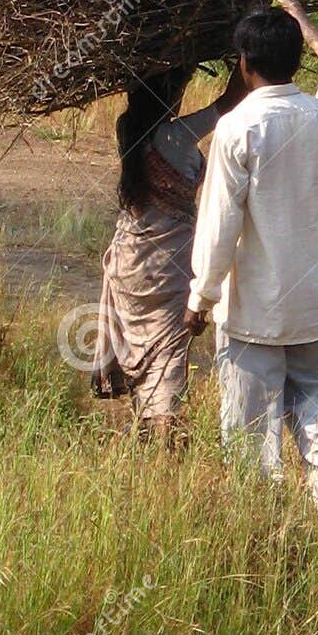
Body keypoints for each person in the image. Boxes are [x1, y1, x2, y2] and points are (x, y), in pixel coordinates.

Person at [183, 9, 318, 527]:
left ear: (244, 64)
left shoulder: (235, 129)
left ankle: (258, 522)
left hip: (257, 308)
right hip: (316, 298)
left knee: (249, 425)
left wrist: (201, 297)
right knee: (314, 401)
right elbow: (308, 124)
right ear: (293, 61)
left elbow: (220, 223)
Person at [93, 61, 245, 436]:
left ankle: (147, 433)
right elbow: (228, 102)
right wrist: (244, 56)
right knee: (168, 350)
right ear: (169, 95)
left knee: (143, 346)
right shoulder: (173, 136)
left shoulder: (128, 129)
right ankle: (166, 440)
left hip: (128, 257)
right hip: (167, 263)